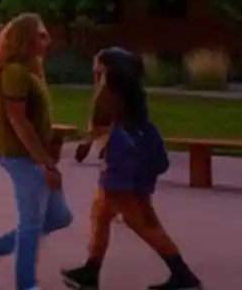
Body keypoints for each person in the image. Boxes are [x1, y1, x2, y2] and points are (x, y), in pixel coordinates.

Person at [60, 48, 202, 290]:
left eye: (97, 70)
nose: (94, 75)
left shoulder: (110, 93)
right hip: (138, 159)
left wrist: (90, 145)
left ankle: (183, 275)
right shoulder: (132, 93)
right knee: (102, 213)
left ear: (105, 70)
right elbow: (105, 126)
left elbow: (101, 124)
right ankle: (91, 270)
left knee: (138, 221)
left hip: (122, 167)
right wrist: (87, 144)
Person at [0, 13, 73, 290]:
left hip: (36, 155)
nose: (47, 39)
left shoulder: (30, 68)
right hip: (21, 156)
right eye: (40, 35)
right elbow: (18, 121)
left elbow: (35, 117)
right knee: (31, 223)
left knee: (60, 216)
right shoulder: (14, 71)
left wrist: (52, 143)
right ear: (24, 38)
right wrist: (45, 165)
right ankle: (26, 284)